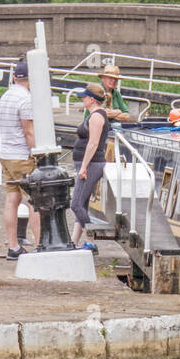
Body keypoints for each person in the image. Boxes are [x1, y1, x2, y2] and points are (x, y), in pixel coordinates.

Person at [0, 59, 41, 259]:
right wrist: (38, 153)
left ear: (15, 77)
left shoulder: (5, 96)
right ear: (30, 79)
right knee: (36, 201)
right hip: (22, 156)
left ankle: (13, 247)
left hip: (5, 155)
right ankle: (40, 245)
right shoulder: (26, 99)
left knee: (12, 199)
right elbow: (28, 131)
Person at [70, 83, 109, 251]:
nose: (83, 99)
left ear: (92, 99)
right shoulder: (93, 115)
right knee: (83, 204)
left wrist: (84, 167)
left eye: (85, 97)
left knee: (76, 204)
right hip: (87, 163)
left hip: (92, 164)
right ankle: (73, 242)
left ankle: (91, 241)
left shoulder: (97, 117)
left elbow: (93, 143)